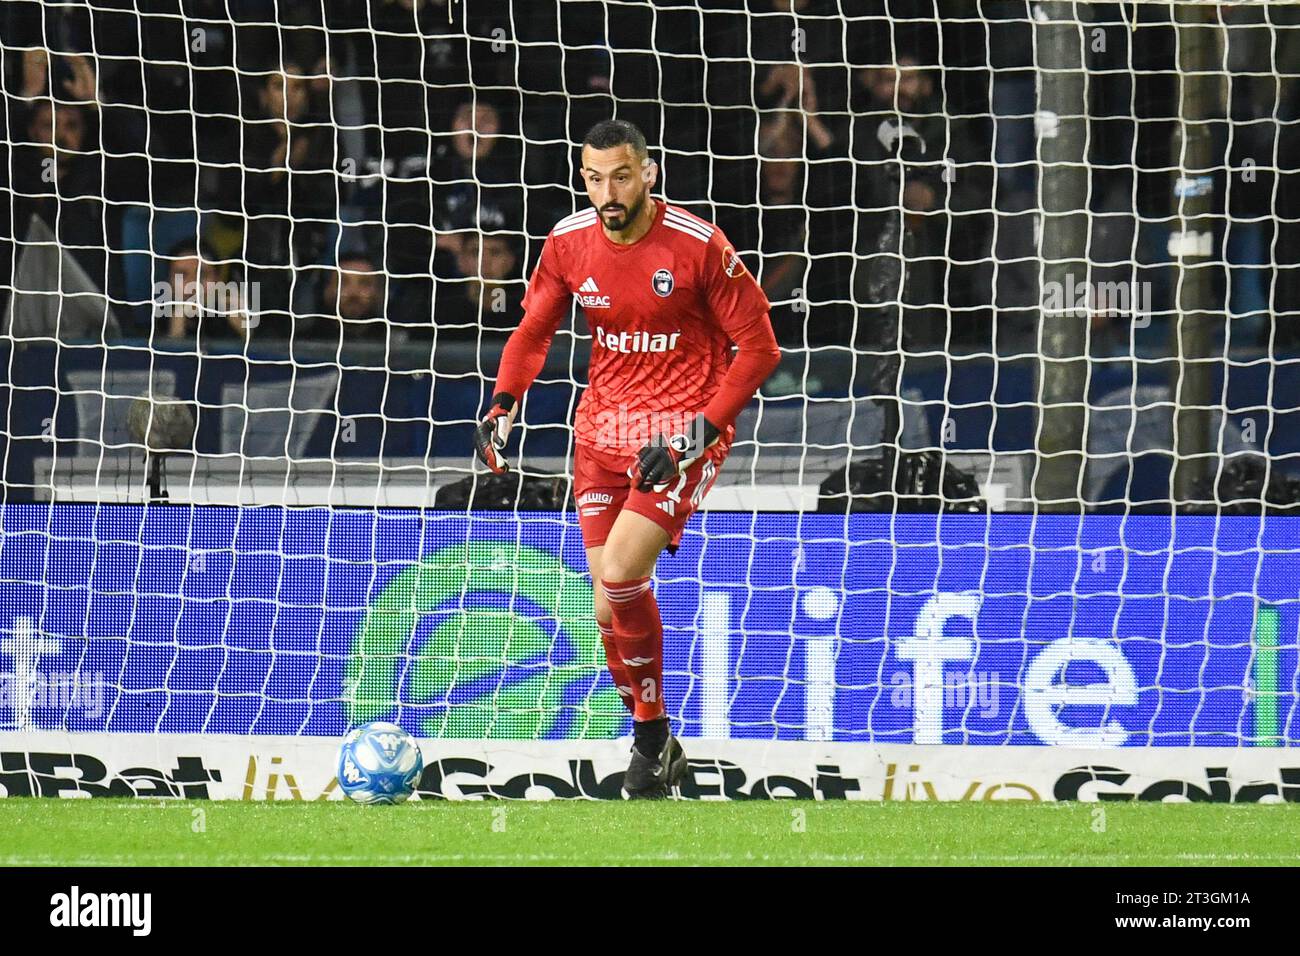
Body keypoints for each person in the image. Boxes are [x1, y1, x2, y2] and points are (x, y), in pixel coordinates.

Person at [472, 120, 781, 798]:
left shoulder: (700, 247)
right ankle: (657, 739)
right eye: (592, 178)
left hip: (679, 440)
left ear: (649, 173)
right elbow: (533, 332)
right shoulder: (567, 243)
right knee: (609, 612)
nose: (606, 192)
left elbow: (760, 350)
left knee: (616, 574)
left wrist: (691, 442)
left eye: (619, 176)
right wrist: (503, 403)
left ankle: (645, 744)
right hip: (601, 435)